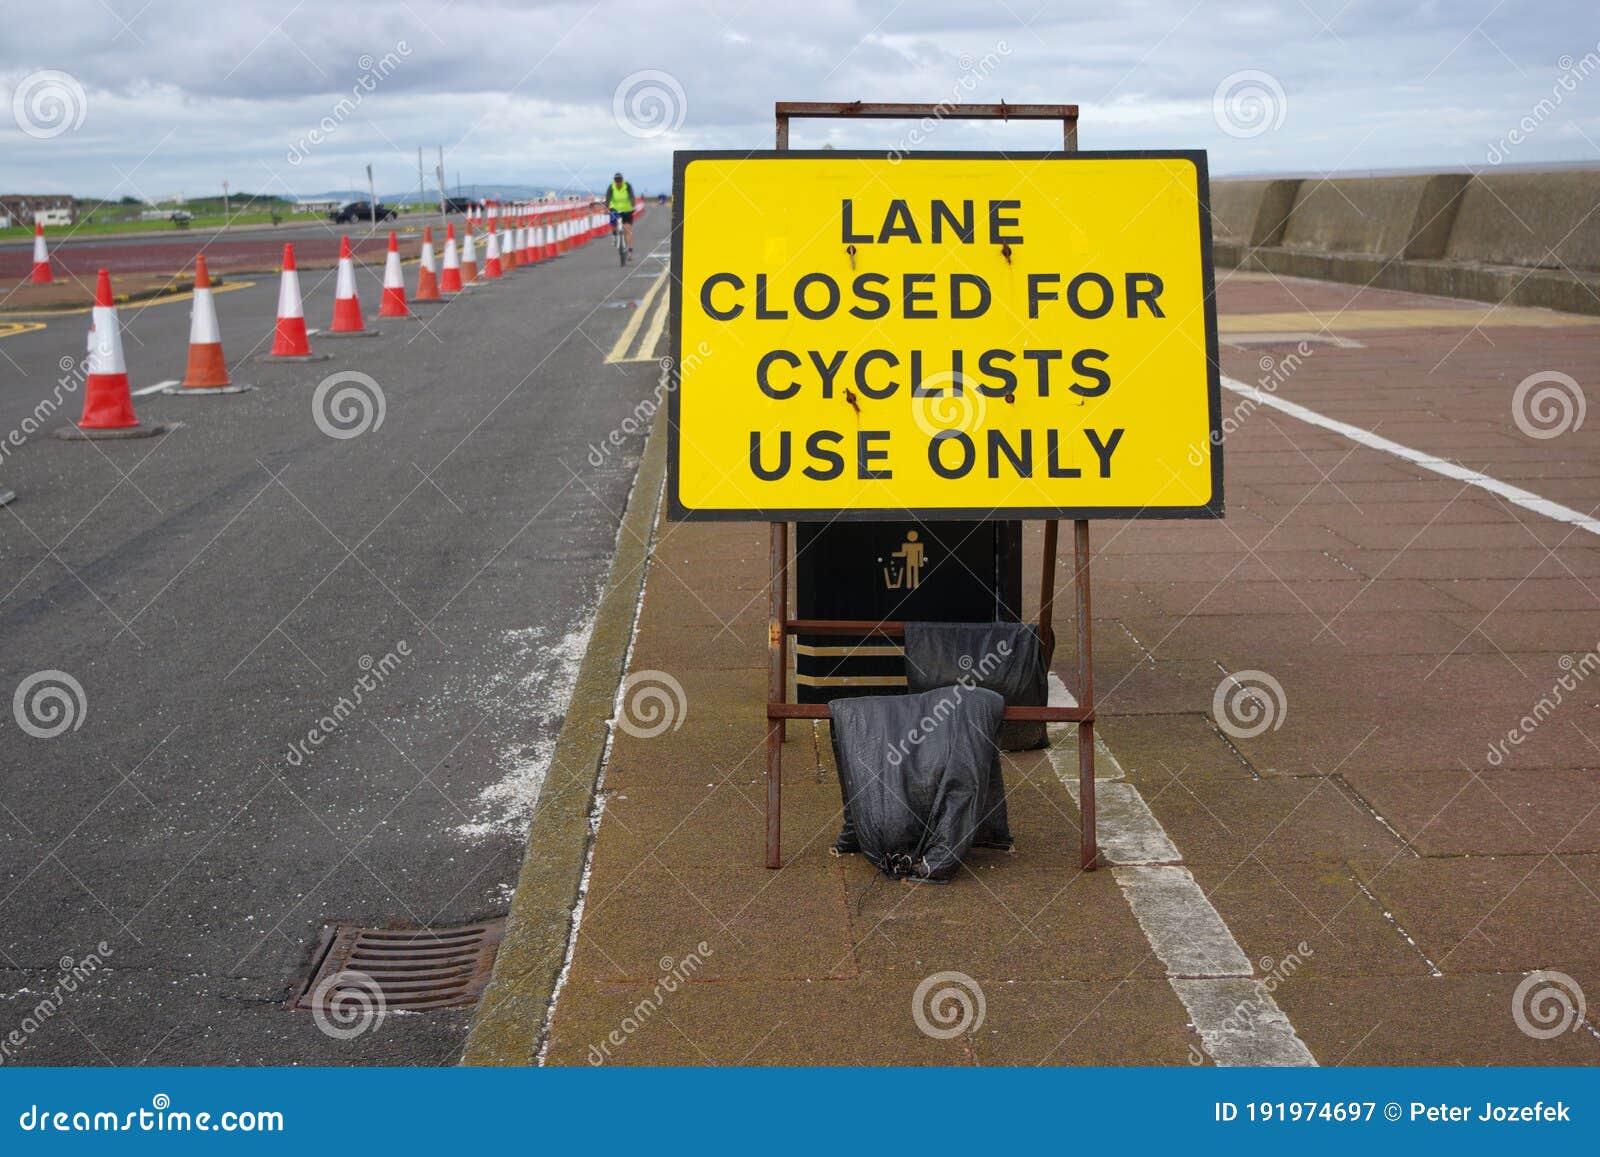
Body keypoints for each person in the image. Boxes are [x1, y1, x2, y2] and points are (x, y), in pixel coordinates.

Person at [605, 172, 636, 254]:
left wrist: (633, 205)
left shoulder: (627, 186)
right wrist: (606, 207)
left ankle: (630, 250)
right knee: (613, 224)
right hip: (615, 209)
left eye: (620, 181)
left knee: (627, 230)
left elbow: (632, 196)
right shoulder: (611, 187)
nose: (618, 182)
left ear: (622, 180)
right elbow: (608, 198)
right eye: (616, 181)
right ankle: (614, 235)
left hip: (627, 210)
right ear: (614, 181)